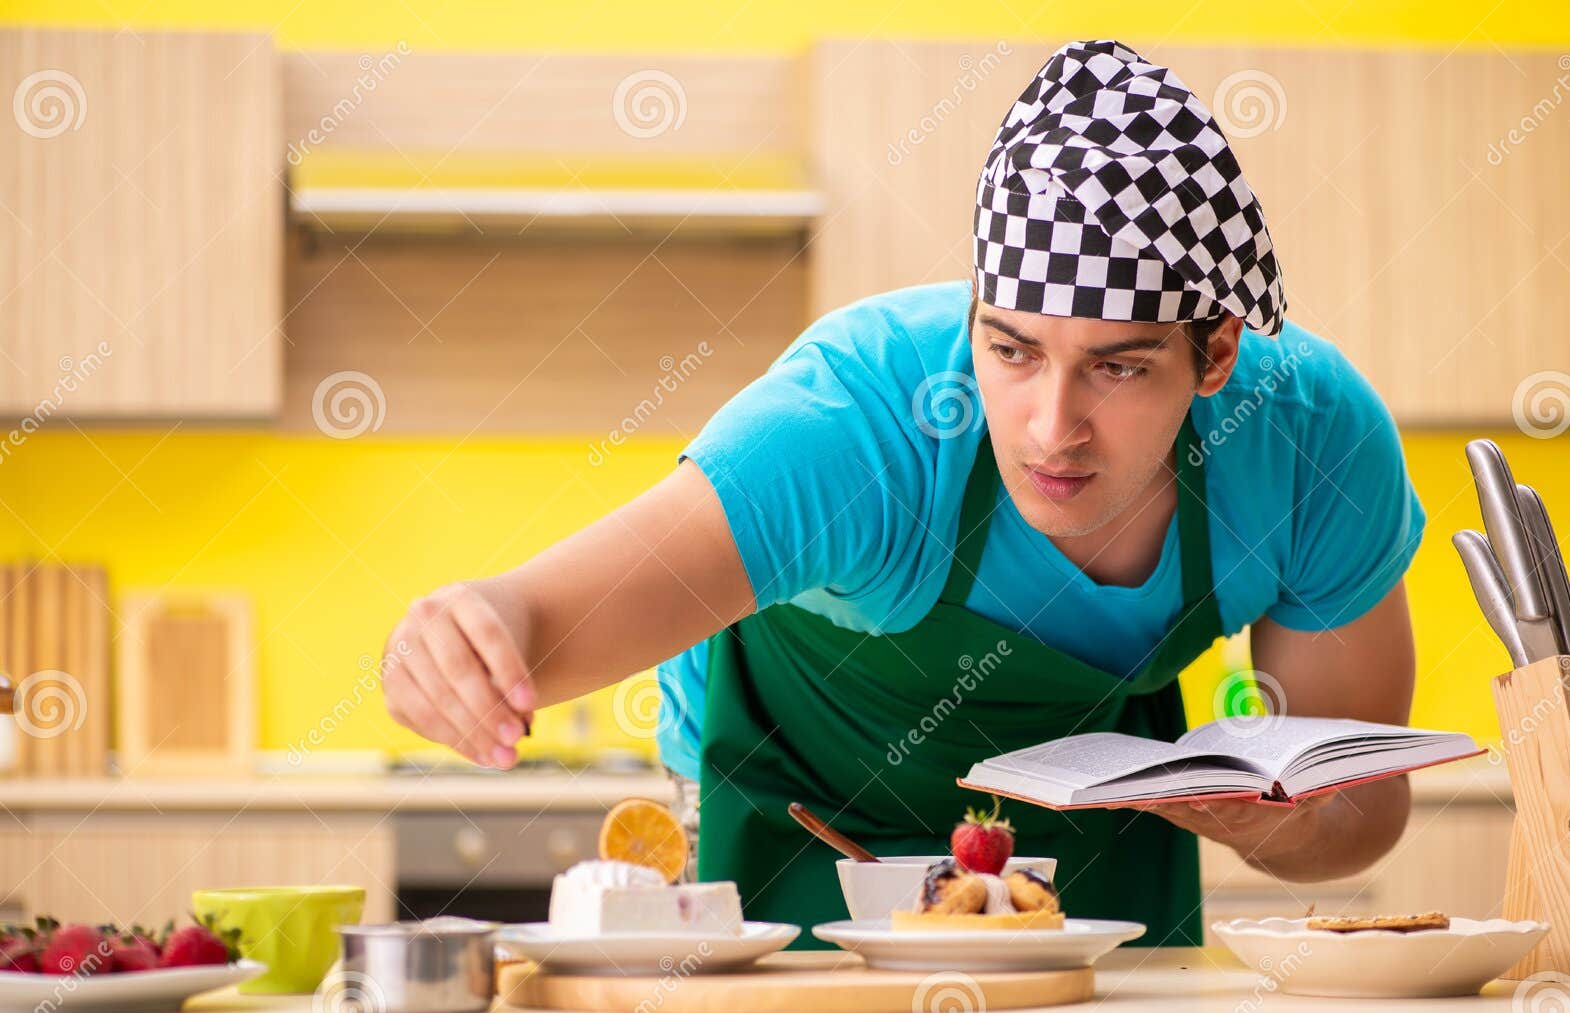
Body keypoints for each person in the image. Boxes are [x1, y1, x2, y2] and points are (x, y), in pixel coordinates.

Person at [382, 41, 1423, 946]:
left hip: (1088, 853)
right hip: (798, 823)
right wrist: (470, 630)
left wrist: (1272, 822)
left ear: (1215, 357)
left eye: (1117, 367)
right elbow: (541, 619)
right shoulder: (858, 424)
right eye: (1010, 351)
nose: (1048, 427)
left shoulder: (1307, 442)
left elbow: (1361, 812)